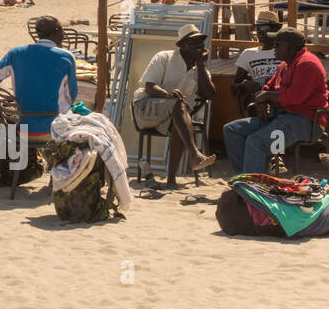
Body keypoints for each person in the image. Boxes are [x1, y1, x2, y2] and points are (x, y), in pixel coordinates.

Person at [223, 28, 328, 175]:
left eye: (278, 44)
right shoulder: (285, 64)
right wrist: (262, 103)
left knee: (256, 142)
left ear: (290, 48)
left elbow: (294, 97)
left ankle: (253, 189)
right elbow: (268, 87)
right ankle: (244, 181)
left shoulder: (307, 64)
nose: (274, 47)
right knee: (232, 130)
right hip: (282, 116)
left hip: (305, 121)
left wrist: (267, 97)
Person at [132, 24, 218, 186]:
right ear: (182, 45)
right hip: (146, 108)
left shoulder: (201, 70)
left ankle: (171, 180)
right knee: (179, 105)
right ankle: (194, 153)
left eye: (201, 41)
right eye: (193, 42)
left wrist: (200, 64)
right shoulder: (164, 57)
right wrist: (167, 94)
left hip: (174, 116)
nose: (199, 45)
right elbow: (149, 86)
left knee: (180, 118)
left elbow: (209, 94)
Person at [0, 15, 76, 140]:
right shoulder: (66, 57)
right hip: (55, 131)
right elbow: (71, 96)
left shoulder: (16, 53)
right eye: (62, 31)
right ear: (57, 32)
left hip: (22, 130)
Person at [233, 11, 282, 117]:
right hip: (259, 100)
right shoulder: (248, 54)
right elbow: (234, 87)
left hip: (280, 98)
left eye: (264, 27)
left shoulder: (285, 52)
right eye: (257, 28)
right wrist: (244, 84)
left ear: (276, 29)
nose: (259, 31)